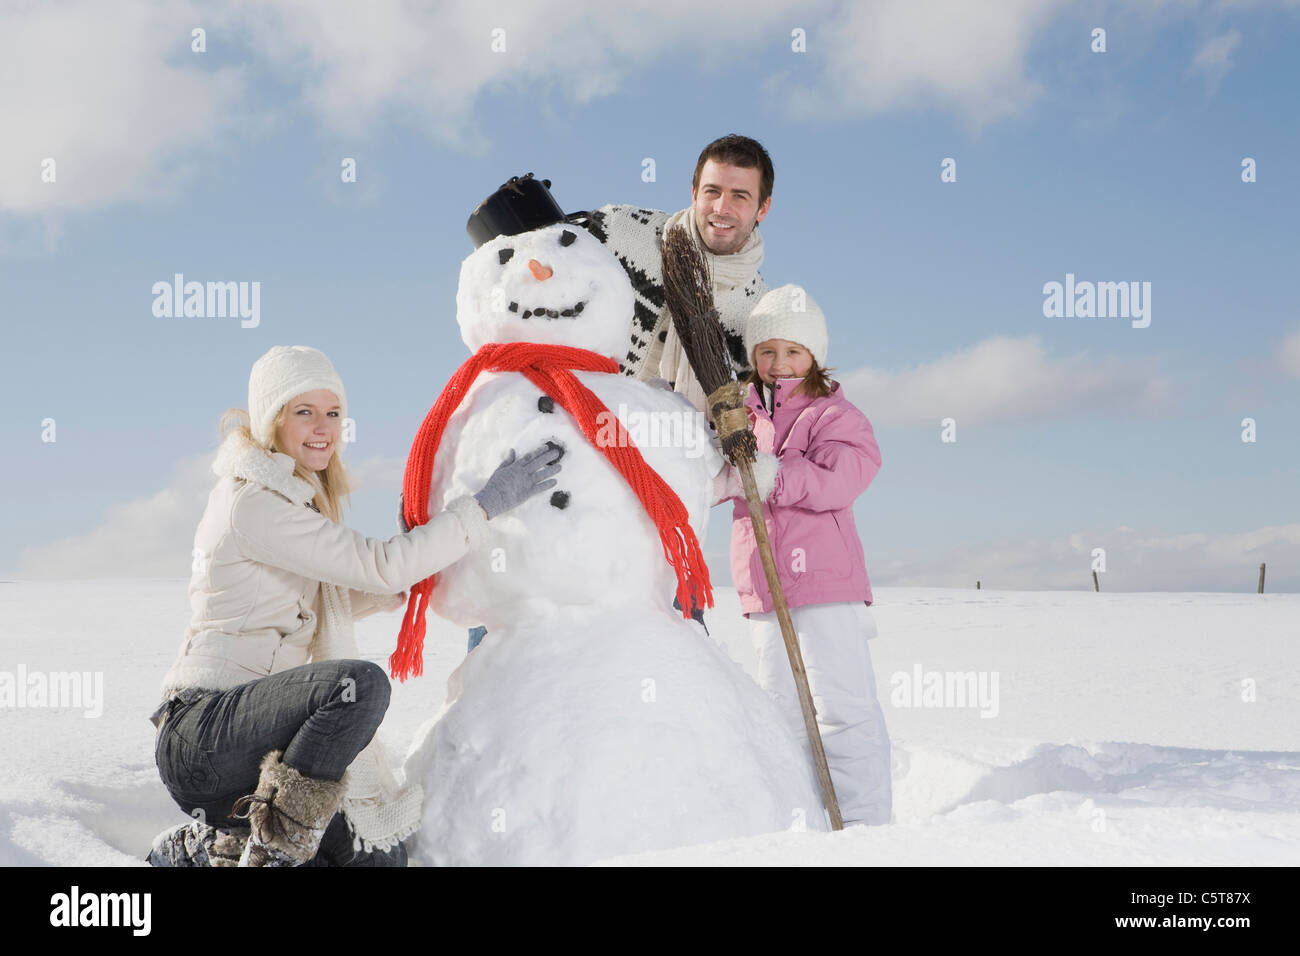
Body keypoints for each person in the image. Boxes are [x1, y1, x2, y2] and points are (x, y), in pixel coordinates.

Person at [147, 345, 562, 866]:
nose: (323, 426)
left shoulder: (293, 501)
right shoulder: (251, 501)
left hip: (256, 755)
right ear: (271, 420)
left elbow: (359, 589)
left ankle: (210, 850)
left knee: (373, 857)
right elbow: (380, 566)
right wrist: (483, 506)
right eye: (304, 412)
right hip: (205, 735)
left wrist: (422, 560)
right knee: (358, 687)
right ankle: (272, 856)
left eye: (334, 413)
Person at [716, 284, 892, 826]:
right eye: (766, 351)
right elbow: (714, 480)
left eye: (792, 350)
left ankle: (864, 829)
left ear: (814, 354)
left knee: (842, 709)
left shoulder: (830, 414)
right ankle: (806, 825)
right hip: (763, 585)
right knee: (782, 714)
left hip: (824, 584)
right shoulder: (738, 415)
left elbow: (842, 479)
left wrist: (772, 475)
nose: (778, 362)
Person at [579, 133, 773, 411]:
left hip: (669, 450)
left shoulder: (760, 314)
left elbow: (761, 419)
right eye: (712, 191)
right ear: (695, 194)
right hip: (570, 428)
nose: (721, 208)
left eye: (739, 196)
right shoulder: (619, 230)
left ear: (762, 208)